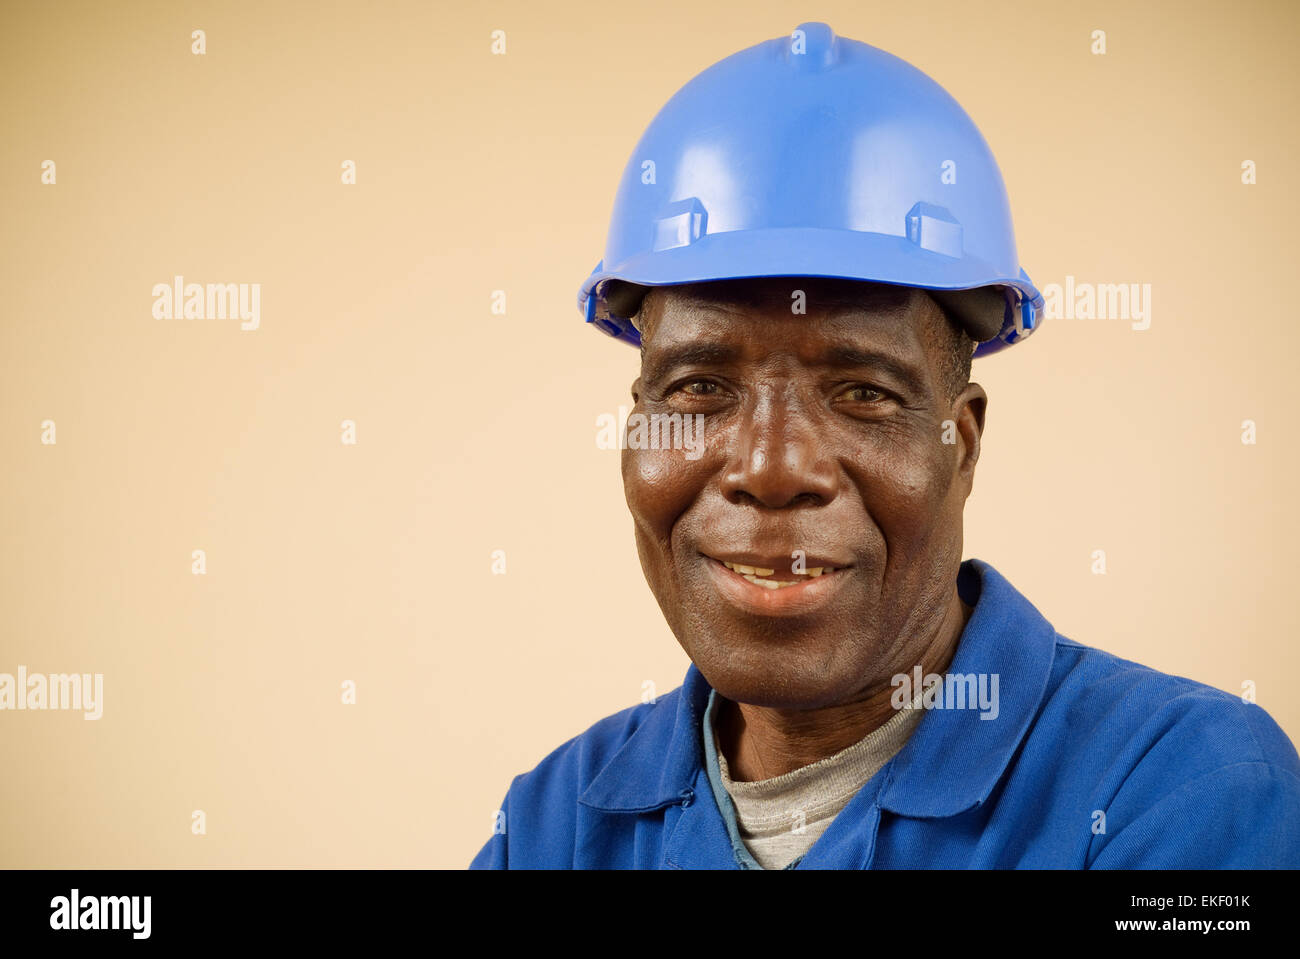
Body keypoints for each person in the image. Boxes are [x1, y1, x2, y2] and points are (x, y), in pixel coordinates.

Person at [470, 23, 1300, 869]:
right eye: (700, 388)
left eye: (863, 393)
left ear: (962, 445)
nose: (772, 467)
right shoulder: (554, 825)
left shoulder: (1188, 788)